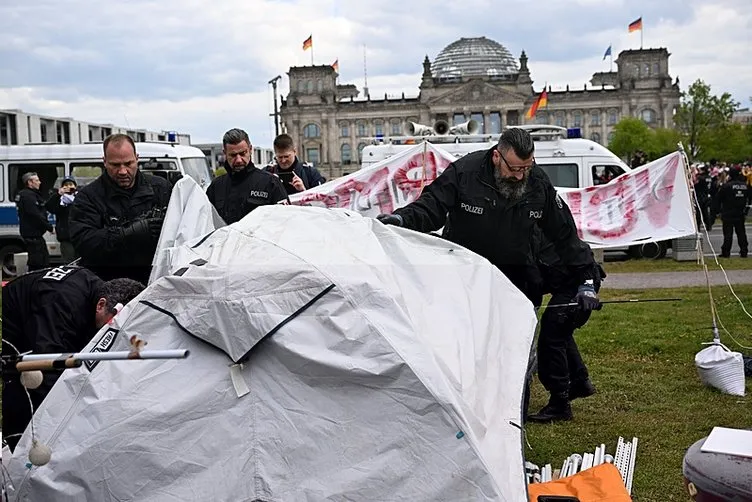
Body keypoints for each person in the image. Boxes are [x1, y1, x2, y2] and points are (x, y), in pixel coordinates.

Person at [376, 127, 601, 309]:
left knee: (517, 350)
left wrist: (586, 279)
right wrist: (401, 220)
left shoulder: (538, 184)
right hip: (467, 273)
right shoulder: (464, 173)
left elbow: (564, 234)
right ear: (496, 156)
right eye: (514, 168)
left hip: (517, 276)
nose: (520, 176)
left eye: (526, 167)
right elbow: (431, 206)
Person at [2, 265, 145, 451]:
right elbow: (48, 367)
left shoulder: (97, 293)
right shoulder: (62, 306)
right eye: (112, 324)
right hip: (13, 338)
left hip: (36, 326)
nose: (112, 331)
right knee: (29, 390)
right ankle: (22, 453)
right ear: (101, 305)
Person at [526, 225, 606, 423]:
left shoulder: (536, 230)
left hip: (579, 283)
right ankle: (579, 382)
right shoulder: (524, 233)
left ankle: (560, 404)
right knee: (559, 332)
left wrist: (586, 288)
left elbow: (580, 252)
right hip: (565, 282)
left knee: (551, 338)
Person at [69, 134, 173, 284]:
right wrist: (127, 234)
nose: (123, 171)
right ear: (104, 162)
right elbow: (84, 244)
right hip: (109, 283)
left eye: (128, 163)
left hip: (154, 281)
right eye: (115, 165)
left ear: (137, 158)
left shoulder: (160, 188)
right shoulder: (88, 197)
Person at [206, 128, 289, 224]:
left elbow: (285, 221)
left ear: (250, 150)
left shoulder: (270, 183)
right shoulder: (216, 187)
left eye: (242, 153)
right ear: (225, 153)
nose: (238, 160)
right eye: (233, 155)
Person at [15, 172, 53, 271]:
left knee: (42, 260)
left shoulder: (30, 194)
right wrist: (49, 227)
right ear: (30, 182)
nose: (39, 182)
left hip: (35, 235)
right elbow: (35, 214)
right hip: (32, 235)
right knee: (38, 262)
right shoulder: (28, 196)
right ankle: (34, 282)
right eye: (37, 180)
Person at [711, 166, 749, 258]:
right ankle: (744, 251)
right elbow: (748, 198)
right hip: (740, 213)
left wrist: (716, 211)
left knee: (728, 234)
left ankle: (726, 252)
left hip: (728, 212)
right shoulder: (744, 186)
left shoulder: (727, 186)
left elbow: (718, 199)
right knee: (741, 233)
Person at [45, 175, 78, 263]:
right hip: (66, 237)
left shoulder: (80, 197)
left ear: (75, 186)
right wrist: (58, 194)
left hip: (80, 236)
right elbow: (49, 207)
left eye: (70, 184)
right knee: (70, 262)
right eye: (65, 185)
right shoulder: (59, 200)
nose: (68, 187)